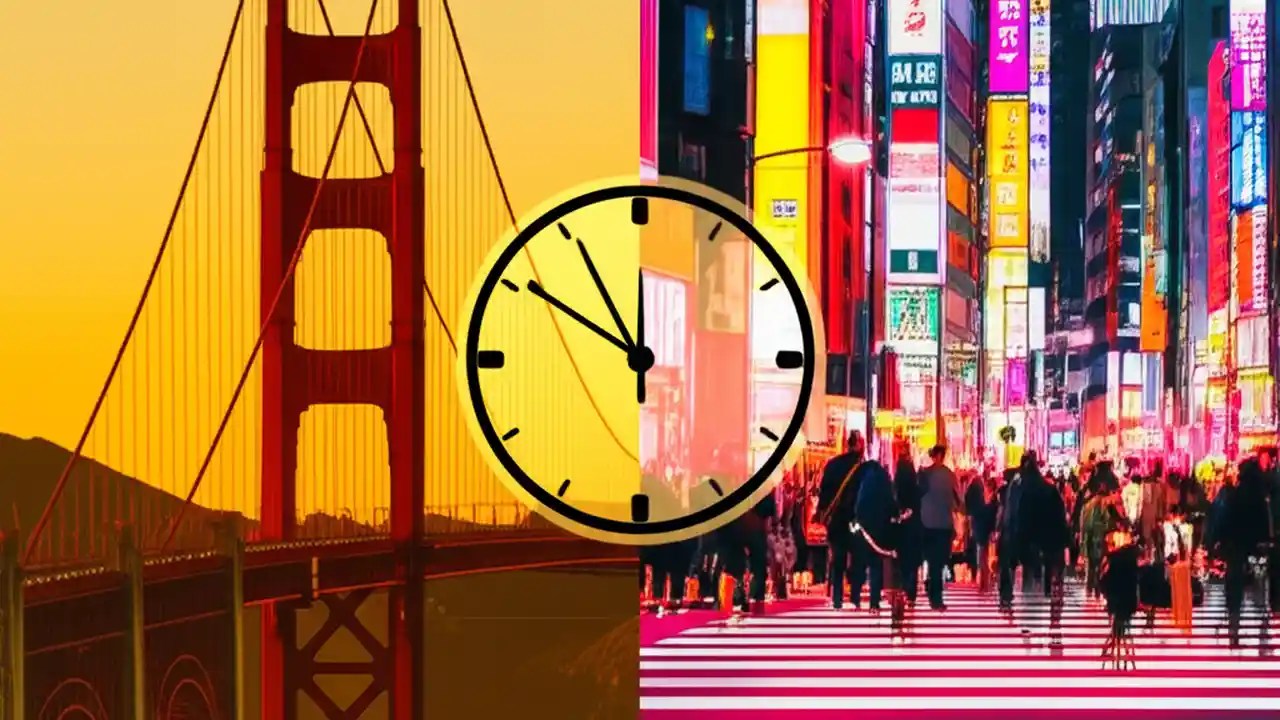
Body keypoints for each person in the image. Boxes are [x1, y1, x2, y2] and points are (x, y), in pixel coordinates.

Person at [814, 431, 866, 610]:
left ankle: (837, 597)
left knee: (838, 559)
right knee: (858, 557)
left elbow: (824, 492)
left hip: (835, 519)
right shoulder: (862, 468)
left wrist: (821, 512)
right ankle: (855, 596)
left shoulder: (832, 465)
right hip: (856, 519)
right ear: (859, 445)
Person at [918, 444, 960, 610]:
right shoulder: (949, 475)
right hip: (943, 525)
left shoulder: (924, 475)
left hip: (927, 524)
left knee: (931, 561)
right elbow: (958, 500)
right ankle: (936, 597)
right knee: (938, 563)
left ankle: (932, 591)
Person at [893, 448, 923, 605]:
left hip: (901, 528)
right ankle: (911, 593)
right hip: (915, 527)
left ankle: (904, 588)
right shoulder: (916, 489)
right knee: (913, 560)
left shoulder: (896, 489)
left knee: (903, 559)